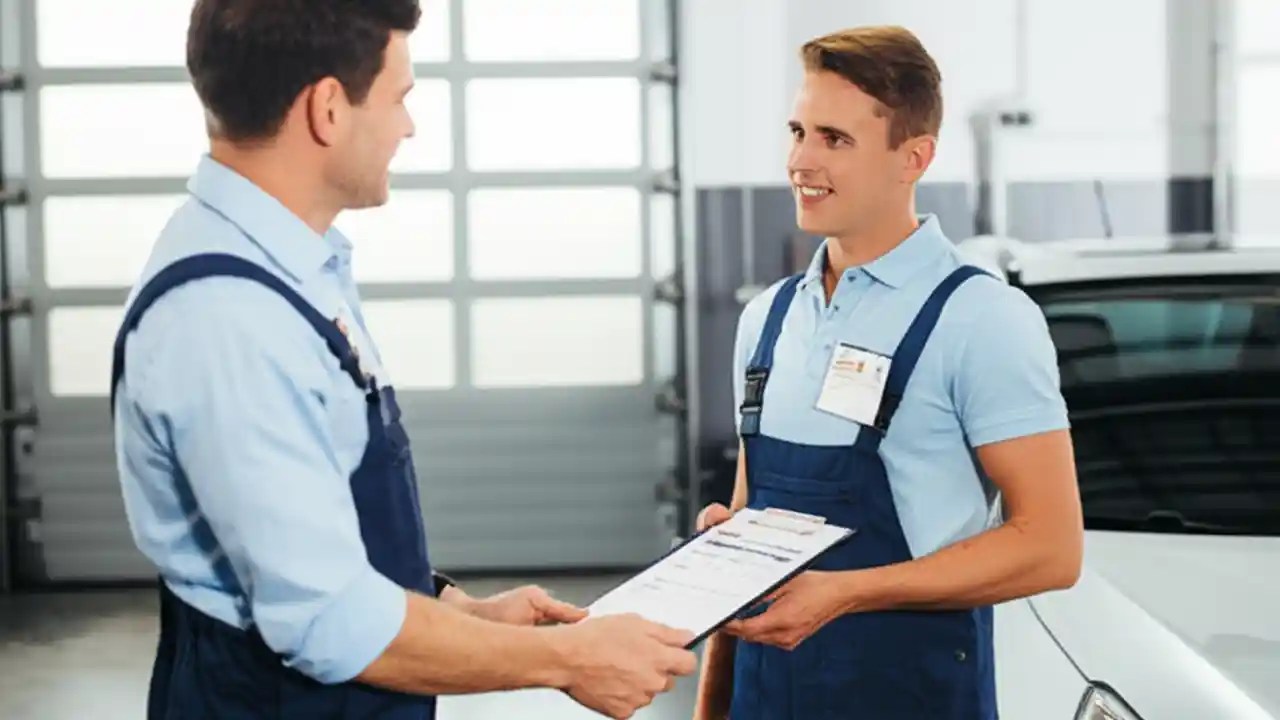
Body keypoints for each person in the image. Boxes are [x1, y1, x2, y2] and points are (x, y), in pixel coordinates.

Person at [110, 2, 696, 719]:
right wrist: (568, 659)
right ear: (328, 108)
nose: (408, 126)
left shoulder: (292, 267)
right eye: (399, 98)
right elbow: (327, 620)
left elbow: (315, 529)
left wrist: (459, 613)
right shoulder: (228, 317)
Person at [691, 26, 1084, 720]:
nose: (801, 161)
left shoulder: (982, 317)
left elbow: (1051, 548)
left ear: (914, 157)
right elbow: (745, 530)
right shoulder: (769, 319)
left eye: (833, 139)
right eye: (797, 131)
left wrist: (846, 591)